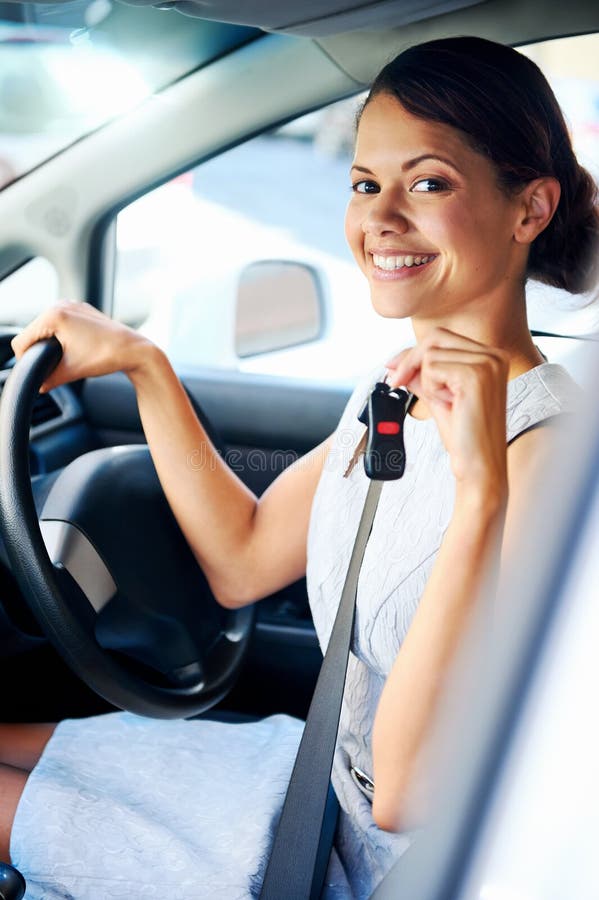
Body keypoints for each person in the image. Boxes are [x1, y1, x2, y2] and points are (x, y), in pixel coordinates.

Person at [0, 35, 597, 899]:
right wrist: (144, 365)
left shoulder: (544, 460)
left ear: (529, 209)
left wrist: (479, 495)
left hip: (366, 866)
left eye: (428, 183)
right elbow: (241, 561)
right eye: (364, 184)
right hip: (307, 781)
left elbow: (405, 793)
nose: (380, 218)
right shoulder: (391, 392)